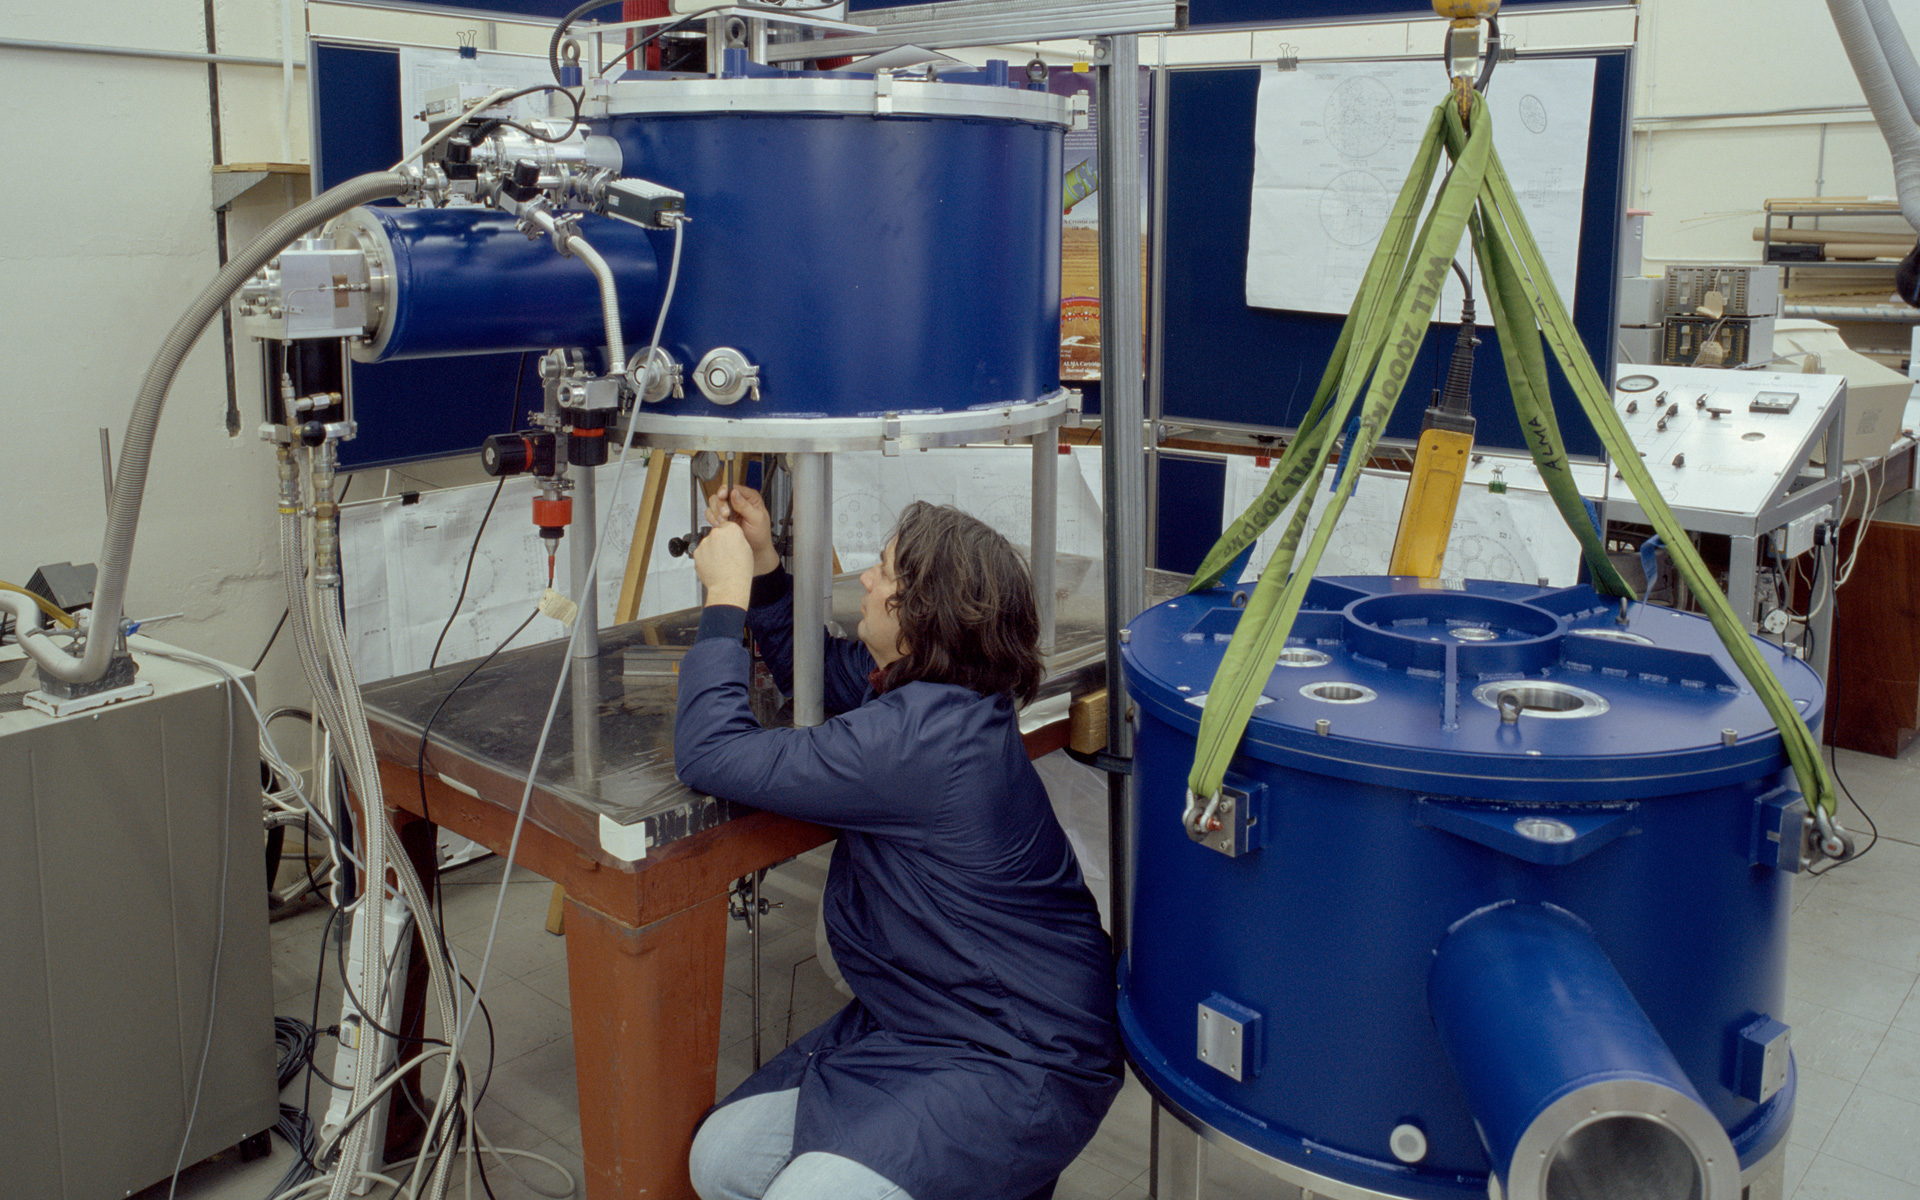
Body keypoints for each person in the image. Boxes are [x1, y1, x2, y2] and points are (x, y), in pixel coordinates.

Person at [675, 485, 1122, 1200]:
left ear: (919, 614)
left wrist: (723, 598)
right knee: (721, 1159)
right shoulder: (933, 691)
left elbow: (710, 754)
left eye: (882, 572)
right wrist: (762, 564)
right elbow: (816, 666)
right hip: (923, 1019)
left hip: (1024, 1052)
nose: (865, 580)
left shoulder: (917, 743)